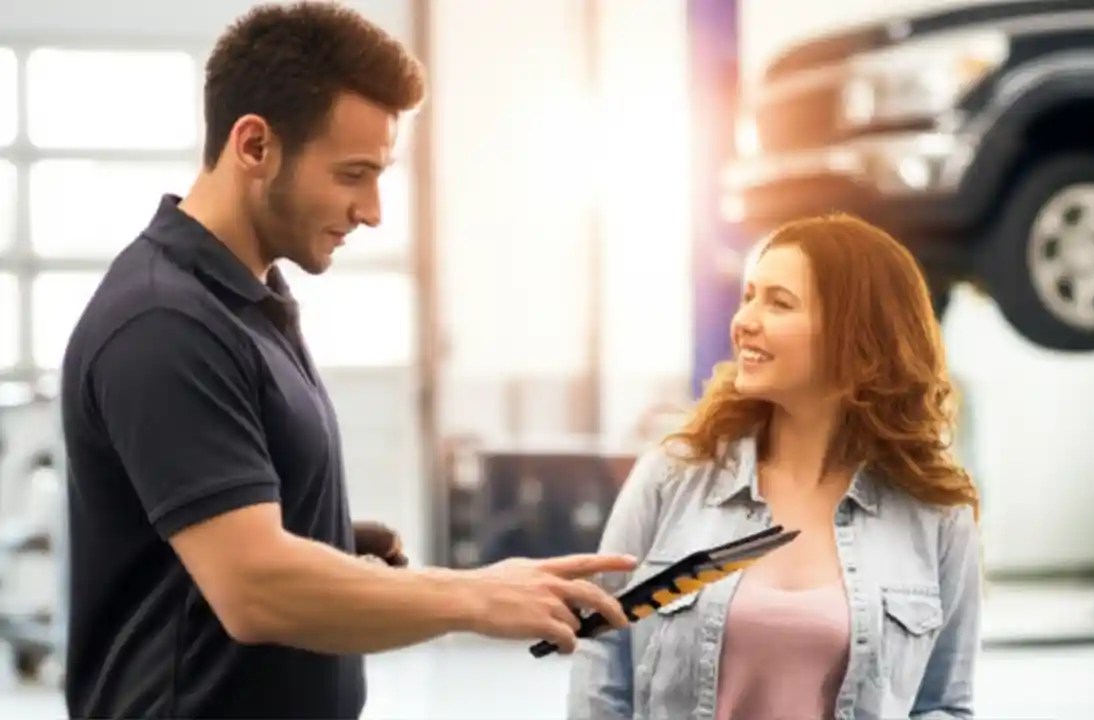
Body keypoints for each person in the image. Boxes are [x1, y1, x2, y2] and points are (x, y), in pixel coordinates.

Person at [59, 3, 633, 718]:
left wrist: (328, 542)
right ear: (254, 146)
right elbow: (255, 588)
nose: (373, 210)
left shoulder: (248, 300)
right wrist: (476, 594)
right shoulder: (165, 323)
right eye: (353, 174)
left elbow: (216, 537)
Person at [567, 214, 983, 720]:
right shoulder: (672, 476)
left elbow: (943, 705)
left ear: (856, 335)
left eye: (779, 303)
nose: (745, 321)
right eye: (749, 297)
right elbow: (602, 658)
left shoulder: (937, 513)